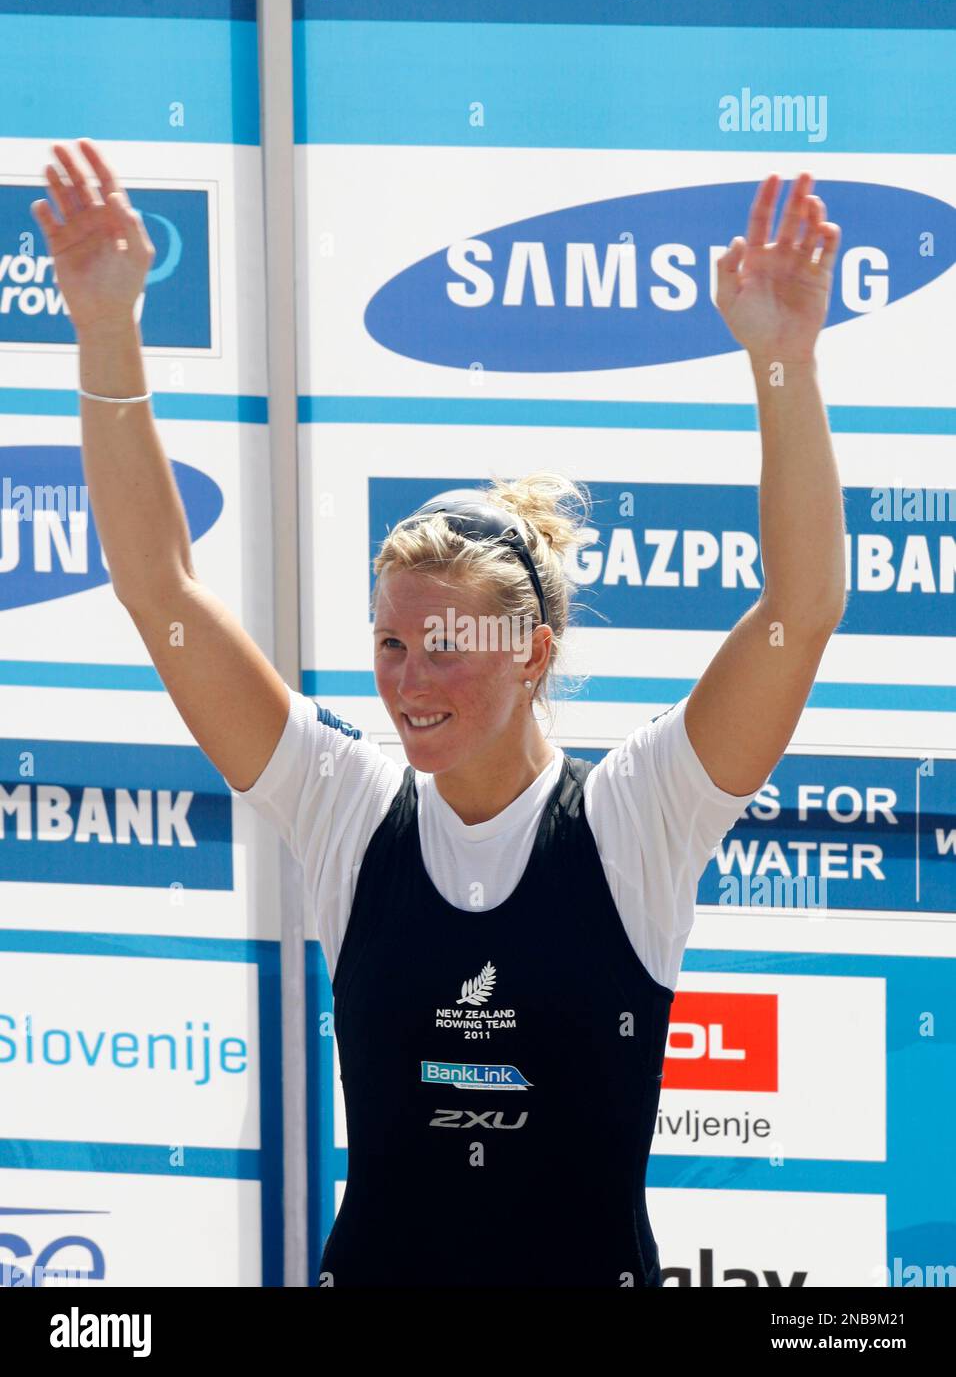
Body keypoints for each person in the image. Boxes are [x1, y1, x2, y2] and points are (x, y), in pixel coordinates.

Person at [33, 142, 845, 1287]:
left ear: (534, 654)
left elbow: (798, 610)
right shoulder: (344, 806)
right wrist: (109, 331)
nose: (411, 680)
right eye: (391, 643)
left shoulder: (633, 814)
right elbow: (158, 591)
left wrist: (782, 364)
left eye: (451, 643)